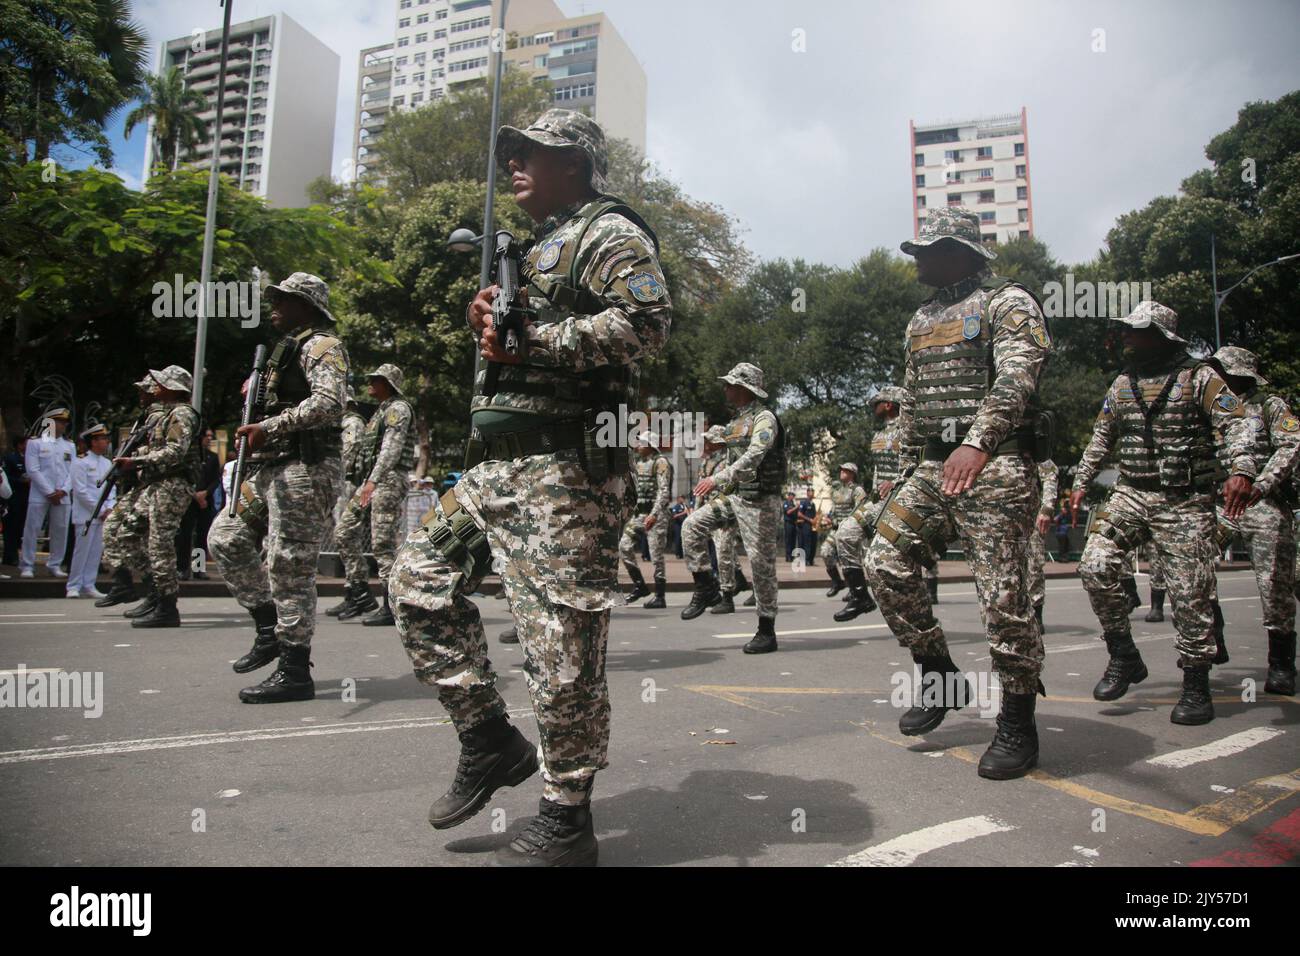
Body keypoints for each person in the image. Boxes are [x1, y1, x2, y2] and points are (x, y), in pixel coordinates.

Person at [388, 109, 670, 866]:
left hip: (563, 475)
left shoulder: (608, 232)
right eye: (510, 152)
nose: (513, 163)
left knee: (561, 650)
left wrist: (535, 338)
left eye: (531, 154)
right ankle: (489, 740)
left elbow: (647, 324)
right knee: (416, 584)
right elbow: (515, 341)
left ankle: (567, 814)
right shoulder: (536, 245)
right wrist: (488, 315)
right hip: (494, 470)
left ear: (574, 163)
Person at [863, 207, 1051, 780]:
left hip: (995, 466)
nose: (916, 260)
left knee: (1003, 600)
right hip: (930, 469)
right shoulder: (920, 318)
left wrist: (978, 442)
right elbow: (914, 404)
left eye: (926, 250)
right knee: (882, 562)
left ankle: (1018, 722)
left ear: (958, 252)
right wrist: (902, 470)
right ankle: (939, 673)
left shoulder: (1007, 303)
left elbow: (1019, 376)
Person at [1070, 302, 1256, 725]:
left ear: (1162, 335)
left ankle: (1195, 684)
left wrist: (1242, 468)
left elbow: (1237, 424)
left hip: (1184, 499)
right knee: (1094, 566)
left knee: (1190, 595)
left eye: (1137, 331)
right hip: (1131, 492)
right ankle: (1123, 654)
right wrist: (1081, 482)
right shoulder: (1121, 384)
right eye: (1128, 331)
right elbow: (1102, 436)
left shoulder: (1200, 377)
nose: (1129, 337)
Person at [208, 272, 349, 701]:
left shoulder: (323, 346)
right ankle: (269, 627)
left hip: (306, 469)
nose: (274, 306)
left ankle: (294, 670)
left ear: (306, 305)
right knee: (225, 536)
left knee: (289, 568)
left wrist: (269, 426)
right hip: (270, 469)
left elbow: (329, 403)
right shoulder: (282, 352)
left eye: (283, 300)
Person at [1206, 346, 1298, 696]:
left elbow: (1292, 443)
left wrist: (1261, 484)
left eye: (1221, 370)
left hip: (1262, 503)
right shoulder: (1212, 405)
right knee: (1191, 563)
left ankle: (1281, 663)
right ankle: (1213, 636)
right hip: (1220, 505)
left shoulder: (1269, 405)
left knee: (1274, 584)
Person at [682, 363, 784, 652]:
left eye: (729, 384)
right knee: (691, 526)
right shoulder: (735, 422)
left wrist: (717, 479)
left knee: (761, 565)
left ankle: (767, 631)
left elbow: (755, 455)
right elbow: (731, 460)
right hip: (736, 497)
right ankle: (706, 586)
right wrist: (721, 487)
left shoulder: (764, 419)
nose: (724, 388)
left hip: (760, 501)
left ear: (744, 388)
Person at [115, 366, 202, 628]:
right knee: (126, 533)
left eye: (162, 383)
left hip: (172, 486)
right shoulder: (168, 414)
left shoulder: (182, 414)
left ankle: (167, 606)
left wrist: (137, 461)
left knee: (160, 544)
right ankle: (155, 590)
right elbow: (159, 447)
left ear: (174, 388)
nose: (156, 387)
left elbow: (176, 452)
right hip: (157, 484)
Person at [330, 364, 416, 626]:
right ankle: (359, 591)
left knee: (382, 544)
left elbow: (391, 448)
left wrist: (373, 481)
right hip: (371, 482)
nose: (370, 383)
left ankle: (392, 606)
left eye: (376, 379)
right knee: (343, 531)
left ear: (388, 383)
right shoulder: (381, 410)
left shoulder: (397, 409)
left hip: (386, 481)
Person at [834, 387, 909, 622]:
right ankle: (859, 596)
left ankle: (907, 610)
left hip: (903, 499)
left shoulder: (909, 430)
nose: (873, 407)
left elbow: (922, 462)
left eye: (877, 402)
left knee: (893, 562)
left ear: (889, 404)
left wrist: (897, 481)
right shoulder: (880, 434)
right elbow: (879, 470)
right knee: (844, 534)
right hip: (878, 501)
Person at [97, 377, 167, 609]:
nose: (141, 395)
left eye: (145, 391)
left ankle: (155, 590)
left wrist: (135, 459)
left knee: (150, 542)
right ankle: (124, 582)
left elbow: (164, 451)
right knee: (113, 528)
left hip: (157, 484)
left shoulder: (160, 416)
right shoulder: (146, 416)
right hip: (139, 484)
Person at [697, 424, 750, 615]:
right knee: (725, 552)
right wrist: (696, 511)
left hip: (725, 511)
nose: (706, 443)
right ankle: (740, 582)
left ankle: (727, 597)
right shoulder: (707, 461)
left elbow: (731, 487)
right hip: (710, 511)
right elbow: (700, 489)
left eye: (709, 439)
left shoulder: (729, 461)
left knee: (723, 552)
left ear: (718, 442)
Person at [619, 430, 673, 608]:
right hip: (638, 514)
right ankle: (640, 586)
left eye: (642, 443)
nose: (639, 446)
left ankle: (660, 595)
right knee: (624, 546)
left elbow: (663, 491)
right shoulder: (638, 462)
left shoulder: (661, 462)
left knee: (656, 555)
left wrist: (655, 514)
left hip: (654, 515)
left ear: (650, 446)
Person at [19, 407, 75, 578]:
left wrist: (64, 490)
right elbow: (33, 470)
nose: (63, 425)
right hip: (40, 494)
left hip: (62, 495)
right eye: (59, 421)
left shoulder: (69, 445)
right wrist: (50, 492)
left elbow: (73, 471)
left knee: (60, 530)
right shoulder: (36, 443)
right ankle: (27, 565)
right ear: (49, 423)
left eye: (64, 422)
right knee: (32, 529)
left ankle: (55, 564)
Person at [66, 424, 115, 598]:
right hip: (86, 515)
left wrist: (110, 507)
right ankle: (73, 585)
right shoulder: (80, 462)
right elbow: (80, 491)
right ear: (93, 442)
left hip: (103, 515)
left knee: (95, 552)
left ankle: (89, 584)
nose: (106, 442)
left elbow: (112, 489)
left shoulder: (107, 463)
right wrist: (100, 509)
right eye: (102, 439)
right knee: (81, 551)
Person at [177, 427, 220, 581]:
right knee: (184, 535)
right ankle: (182, 568)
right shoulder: (188, 457)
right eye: (206, 436)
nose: (209, 439)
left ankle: (198, 568)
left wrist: (205, 493)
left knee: (201, 536)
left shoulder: (212, 457)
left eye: (211, 436)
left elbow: (216, 479)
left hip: (205, 502)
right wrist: (194, 494)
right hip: (189, 500)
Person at [820, 463, 866, 597]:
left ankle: (854, 590)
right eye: (842, 470)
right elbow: (834, 509)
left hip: (849, 531)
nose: (842, 472)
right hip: (836, 530)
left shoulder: (857, 490)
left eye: (846, 470)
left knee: (849, 561)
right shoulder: (837, 490)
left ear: (852, 474)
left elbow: (860, 510)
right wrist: (829, 518)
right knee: (825, 552)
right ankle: (837, 582)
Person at [1026, 459, 1060, 628]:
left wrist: (1047, 508)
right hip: (999, 516)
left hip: (1031, 515)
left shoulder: (1028, 439)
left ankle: (1035, 613)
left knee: (1034, 565)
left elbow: (1050, 472)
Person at [3, 436, 29, 567]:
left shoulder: (29, 459)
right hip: (14, 497)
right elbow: (6, 477)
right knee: (11, 528)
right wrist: (20, 481)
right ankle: (10, 556)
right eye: (26, 443)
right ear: (19, 445)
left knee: (20, 528)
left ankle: (17, 555)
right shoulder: (10, 458)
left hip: (26, 498)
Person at [796, 491, 817, 564]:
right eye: (811, 492)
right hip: (806, 525)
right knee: (806, 542)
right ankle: (806, 559)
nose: (812, 493)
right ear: (807, 493)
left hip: (813, 525)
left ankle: (811, 559)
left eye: (813, 492)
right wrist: (809, 519)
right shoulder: (804, 502)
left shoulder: (813, 504)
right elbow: (799, 514)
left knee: (813, 542)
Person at [782, 491, 798, 561]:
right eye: (792, 496)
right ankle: (788, 556)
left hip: (793, 523)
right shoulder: (786, 503)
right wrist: (796, 507)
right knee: (788, 540)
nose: (793, 497)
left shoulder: (793, 504)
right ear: (789, 496)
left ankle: (792, 556)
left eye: (793, 496)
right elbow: (788, 512)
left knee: (793, 540)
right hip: (788, 523)